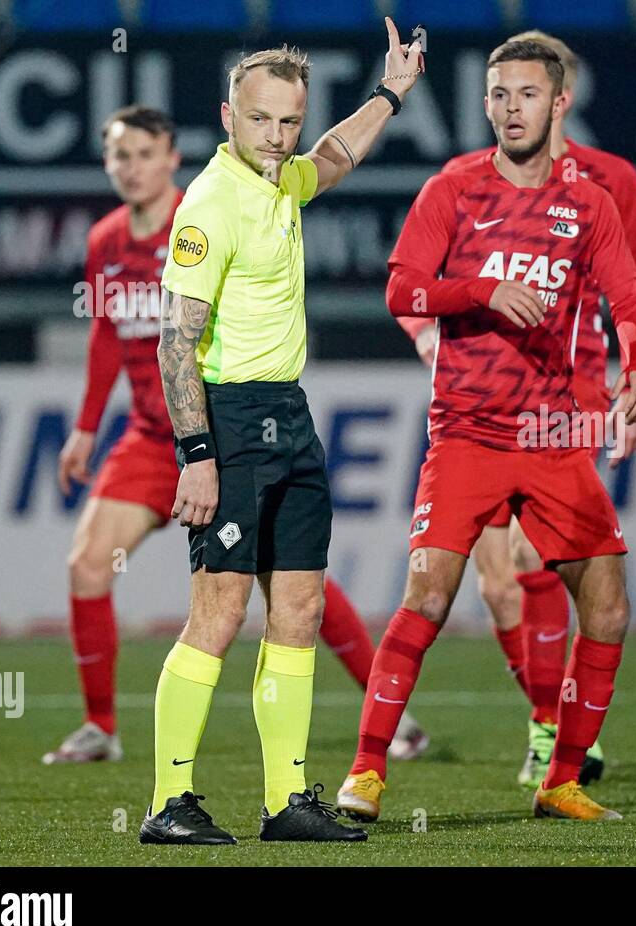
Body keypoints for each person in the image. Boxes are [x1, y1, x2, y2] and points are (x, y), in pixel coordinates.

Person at [44, 106, 428, 766]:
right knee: (87, 564)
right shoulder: (107, 239)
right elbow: (107, 336)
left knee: (288, 581)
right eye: (118, 155)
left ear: (171, 155)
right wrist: (84, 430)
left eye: (143, 153)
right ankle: (101, 727)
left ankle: (389, 715)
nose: (130, 167)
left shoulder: (201, 213)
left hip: (221, 432)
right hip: (148, 437)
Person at [338, 39, 636, 823]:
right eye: (498, 94)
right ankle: (368, 771)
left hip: (554, 435)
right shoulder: (454, 188)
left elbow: (630, 296)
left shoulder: (591, 204)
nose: (512, 107)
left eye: (526, 94)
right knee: (430, 595)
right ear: (485, 105)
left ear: (559, 104)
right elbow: (403, 288)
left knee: (608, 605)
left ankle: (561, 780)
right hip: (469, 434)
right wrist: (481, 289)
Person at [139, 21, 423, 845]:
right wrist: (196, 454)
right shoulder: (210, 205)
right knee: (219, 613)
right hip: (229, 420)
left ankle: (286, 802)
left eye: (290, 121)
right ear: (230, 118)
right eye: (261, 120)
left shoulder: (282, 179)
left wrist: (390, 93)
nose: (278, 136)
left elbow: (335, 155)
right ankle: (168, 803)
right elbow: (174, 340)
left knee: (297, 607)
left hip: (289, 415)